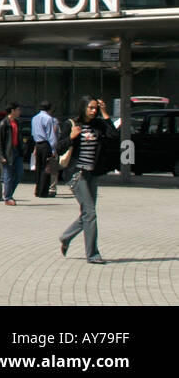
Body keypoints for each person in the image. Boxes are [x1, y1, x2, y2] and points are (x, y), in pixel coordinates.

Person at [57, 96, 119, 264]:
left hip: (92, 174)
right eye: (90, 108)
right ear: (83, 107)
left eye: (95, 108)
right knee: (90, 213)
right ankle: (92, 254)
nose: (93, 111)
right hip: (77, 174)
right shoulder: (71, 124)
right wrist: (71, 137)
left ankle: (66, 237)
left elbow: (114, 136)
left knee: (87, 213)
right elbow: (58, 147)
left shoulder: (98, 124)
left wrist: (105, 114)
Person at [31, 100, 59, 198]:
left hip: (38, 144)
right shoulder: (48, 118)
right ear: (49, 109)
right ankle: (43, 192)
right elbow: (51, 135)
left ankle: (37, 190)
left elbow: (33, 133)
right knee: (46, 168)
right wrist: (53, 149)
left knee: (38, 168)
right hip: (46, 144)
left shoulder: (34, 118)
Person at [0, 103, 23, 205]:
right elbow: (0, 142)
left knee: (19, 174)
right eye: (18, 110)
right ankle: (8, 198)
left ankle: (8, 192)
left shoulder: (17, 122)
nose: (19, 112)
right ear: (12, 110)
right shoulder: (4, 123)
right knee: (8, 175)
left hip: (17, 151)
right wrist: (1, 156)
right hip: (8, 152)